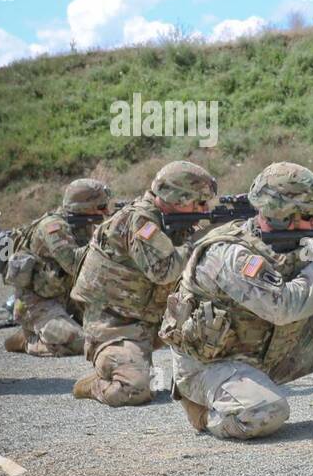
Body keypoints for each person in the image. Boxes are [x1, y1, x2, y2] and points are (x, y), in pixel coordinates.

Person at [160, 162, 313, 439]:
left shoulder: (302, 246)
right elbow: (282, 307)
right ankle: (204, 413)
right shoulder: (230, 253)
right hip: (212, 365)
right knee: (264, 412)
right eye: (308, 215)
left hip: (269, 353)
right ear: (281, 214)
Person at [71, 161, 218, 406]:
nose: (204, 210)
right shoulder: (139, 221)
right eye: (199, 203)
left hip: (155, 319)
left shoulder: (173, 222)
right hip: (114, 323)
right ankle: (92, 384)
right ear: (177, 198)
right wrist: (202, 241)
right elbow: (164, 271)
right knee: (134, 389)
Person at [2, 179, 111, 358]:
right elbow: (75, 265)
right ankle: (28, 340)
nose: (106, 211)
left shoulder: (84, 224)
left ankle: (52, 330)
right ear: (83, 207)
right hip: (37, 303)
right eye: (101, 206)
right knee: (82, 343)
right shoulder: (54, 227)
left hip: (68, 298)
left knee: (113, 332)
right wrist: (107, 240)